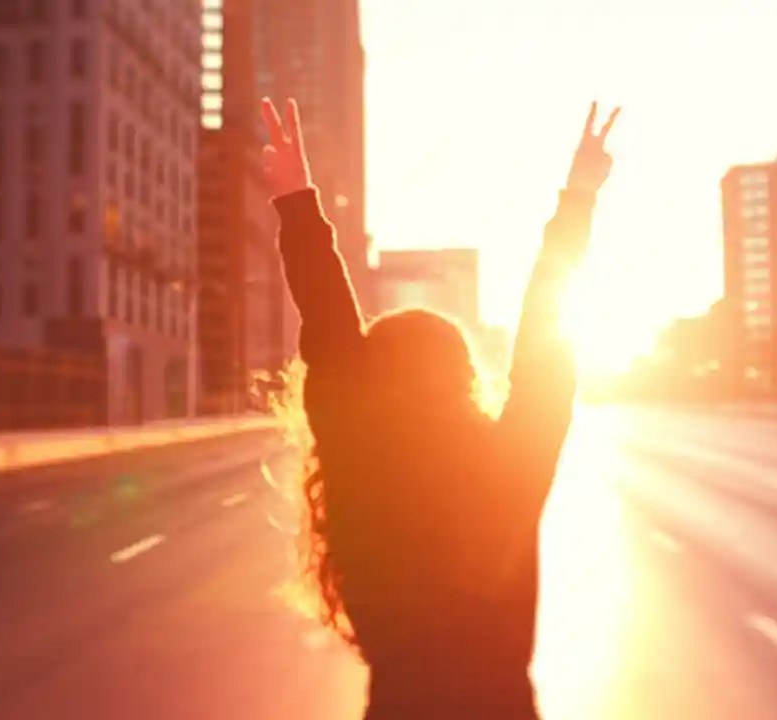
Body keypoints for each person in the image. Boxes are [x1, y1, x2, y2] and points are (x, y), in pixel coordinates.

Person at [262, 96, 619, 719]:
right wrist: (577, 202)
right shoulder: (509, 471)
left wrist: (297, 201)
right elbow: (542, 347)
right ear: (463, 378)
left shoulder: (362, 471)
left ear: (369, 388)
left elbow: (331, 333)